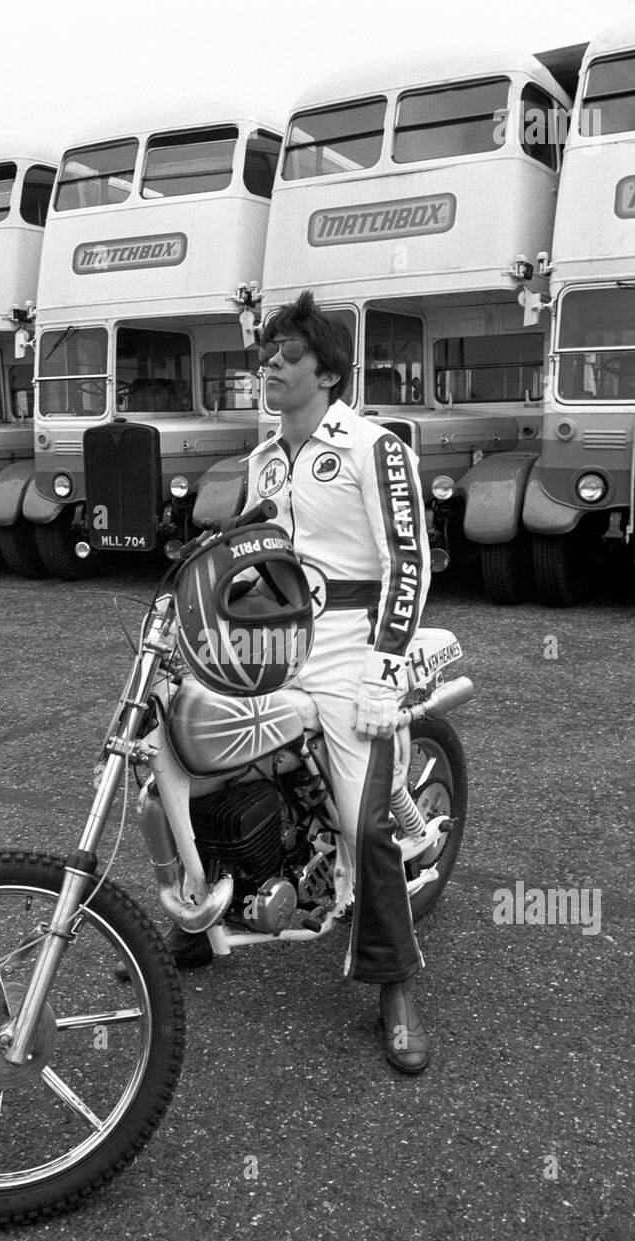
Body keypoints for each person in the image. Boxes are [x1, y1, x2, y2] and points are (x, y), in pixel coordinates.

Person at [163, 291, 433, 1075]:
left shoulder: (372, 448)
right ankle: (205, 916)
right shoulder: (264, 457)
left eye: (285, 355)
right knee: (201, 756)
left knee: (362, 821)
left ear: (326, 369)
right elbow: (251, 545)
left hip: (352, 648)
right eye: (265, 355)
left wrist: (385, 668)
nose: (268, 367)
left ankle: (393, 985)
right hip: (276, 646)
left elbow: (407, 566)